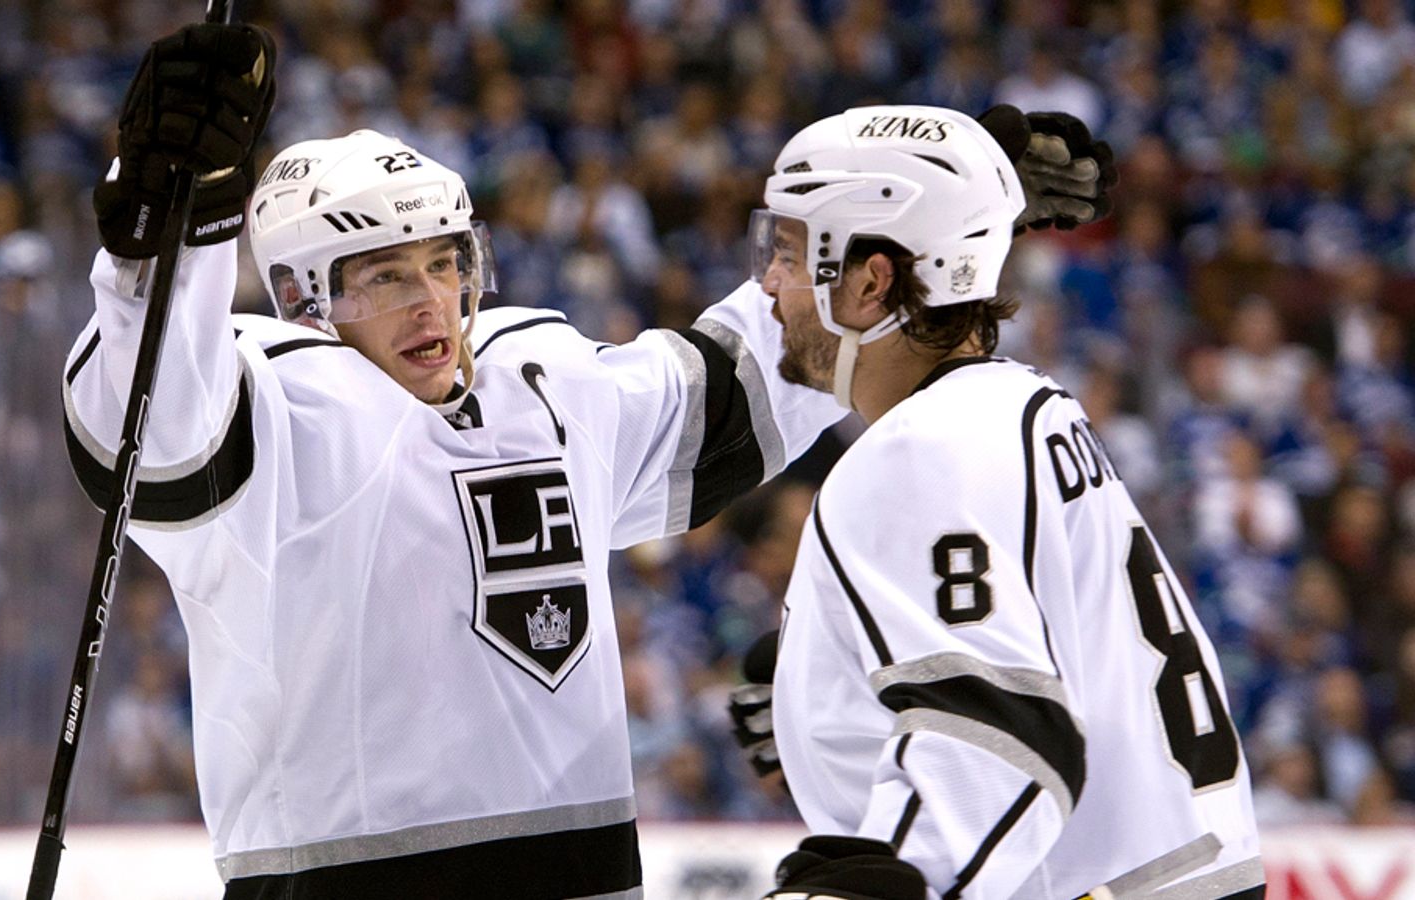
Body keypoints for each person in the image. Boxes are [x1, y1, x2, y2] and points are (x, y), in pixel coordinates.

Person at [63, 24, 1114, 900]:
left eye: (445, 262)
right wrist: (164, 243)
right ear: (302, 299)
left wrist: (930, 213)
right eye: (382, 276)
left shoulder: (544, 383)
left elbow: (755, 370)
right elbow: (150, 419)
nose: (432, 303)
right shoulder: (269, 410)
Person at [744, 106, 1264, 900]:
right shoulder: (1018, 407)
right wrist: (824, 692)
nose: (768, 283)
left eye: (788, 252)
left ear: (872, 281)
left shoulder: (920, 449)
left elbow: (1001, 740)